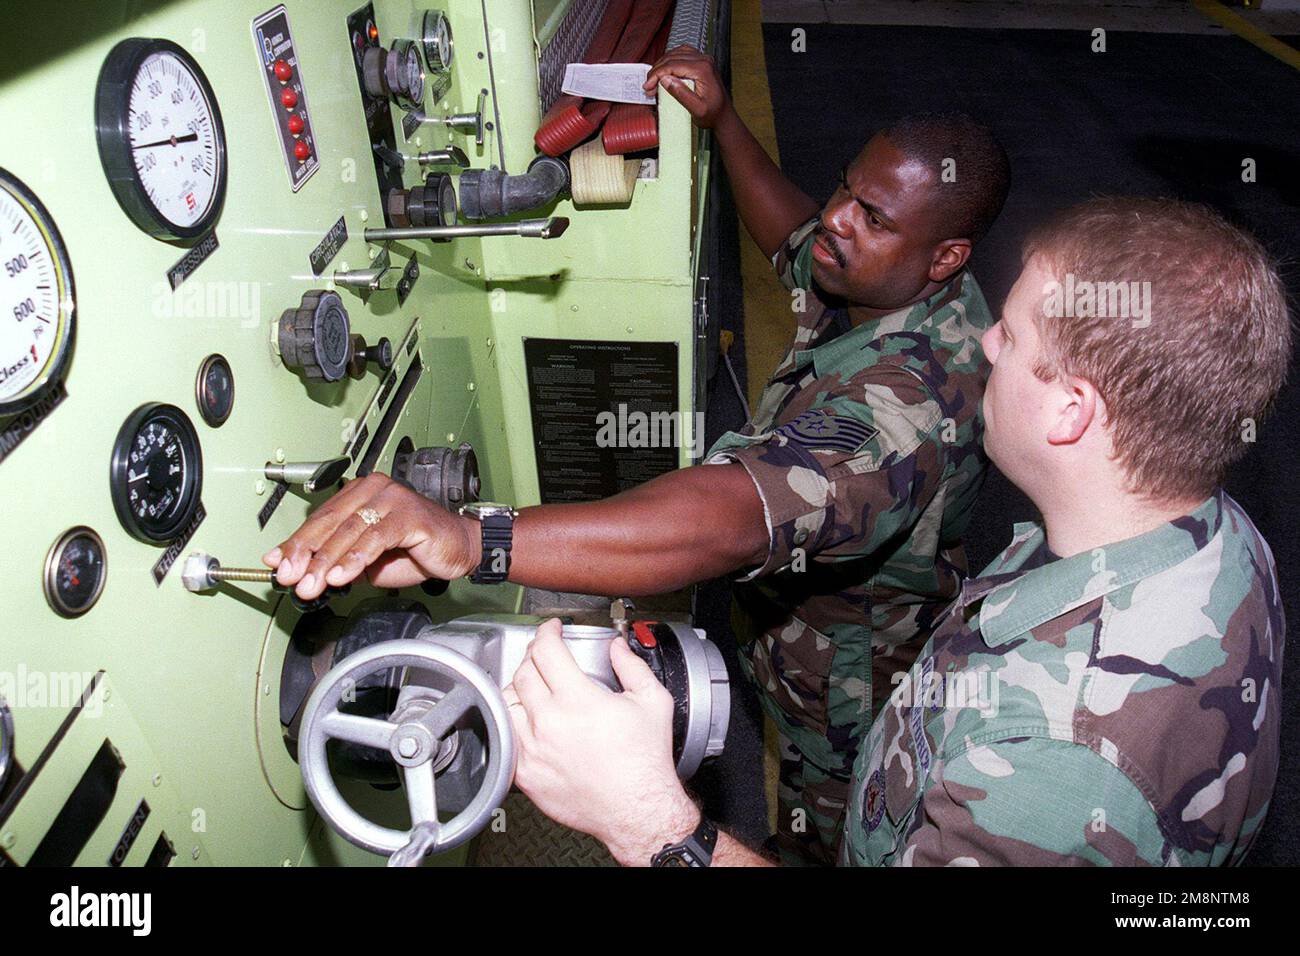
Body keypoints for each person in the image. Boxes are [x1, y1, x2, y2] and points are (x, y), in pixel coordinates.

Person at [264, 62, 1010, 865]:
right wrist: (724, 121)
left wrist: (476, 539)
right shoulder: (879, 276)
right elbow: (793, 237)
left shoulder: (912, 404)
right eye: (842, 190)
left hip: (851, 683)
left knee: (836, 825)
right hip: (797, 637)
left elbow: (735, 516)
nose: (835, 219)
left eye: (871, 216)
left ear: (946, 257)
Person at [501, 197, 1289, 866]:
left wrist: (655, 826)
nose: (983, 344)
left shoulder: (1055, 767)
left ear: (1071, 410)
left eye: (1010, 338)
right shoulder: (1212, 531)